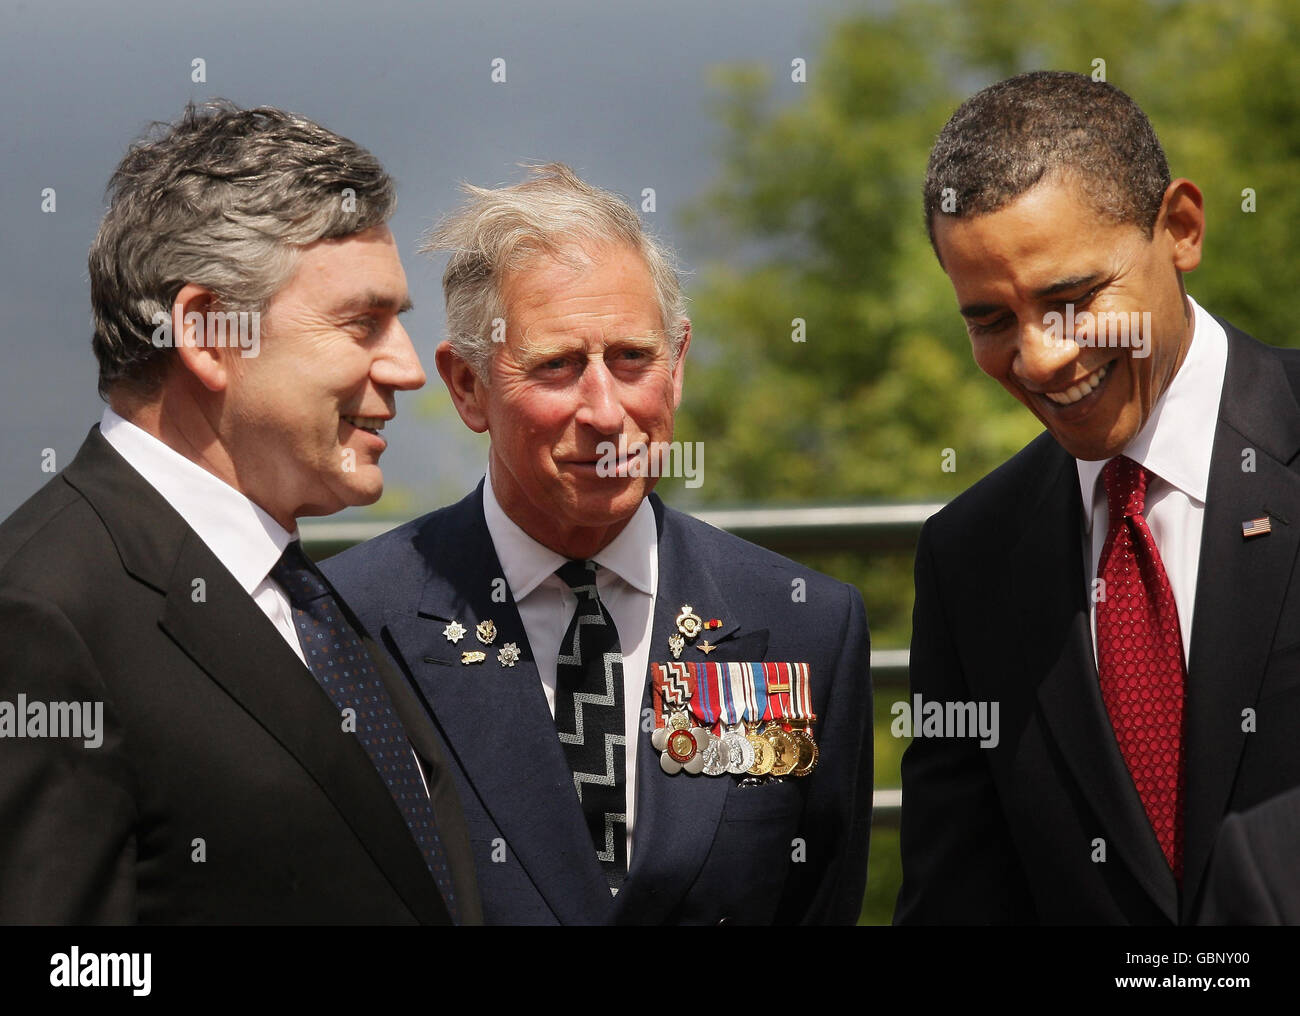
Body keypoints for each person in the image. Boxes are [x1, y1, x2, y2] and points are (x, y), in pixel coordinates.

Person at [323, 163, 873, 924]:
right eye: (556, 366)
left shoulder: (803, 621)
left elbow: (821, 900)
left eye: (631, 359)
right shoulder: (350, 624)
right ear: (467, 387)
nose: (605, 410)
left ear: (677, 366)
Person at [0, 101, 481, 924]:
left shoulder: (308, 597)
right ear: (206, 331)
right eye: (363, 323)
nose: (407, 368)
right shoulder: (41, 613)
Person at [894, 70, 1300, 924]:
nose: (1040, 359)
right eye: (991, 321)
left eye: (1072, 300)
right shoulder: (969, 558)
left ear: (1181, 229)